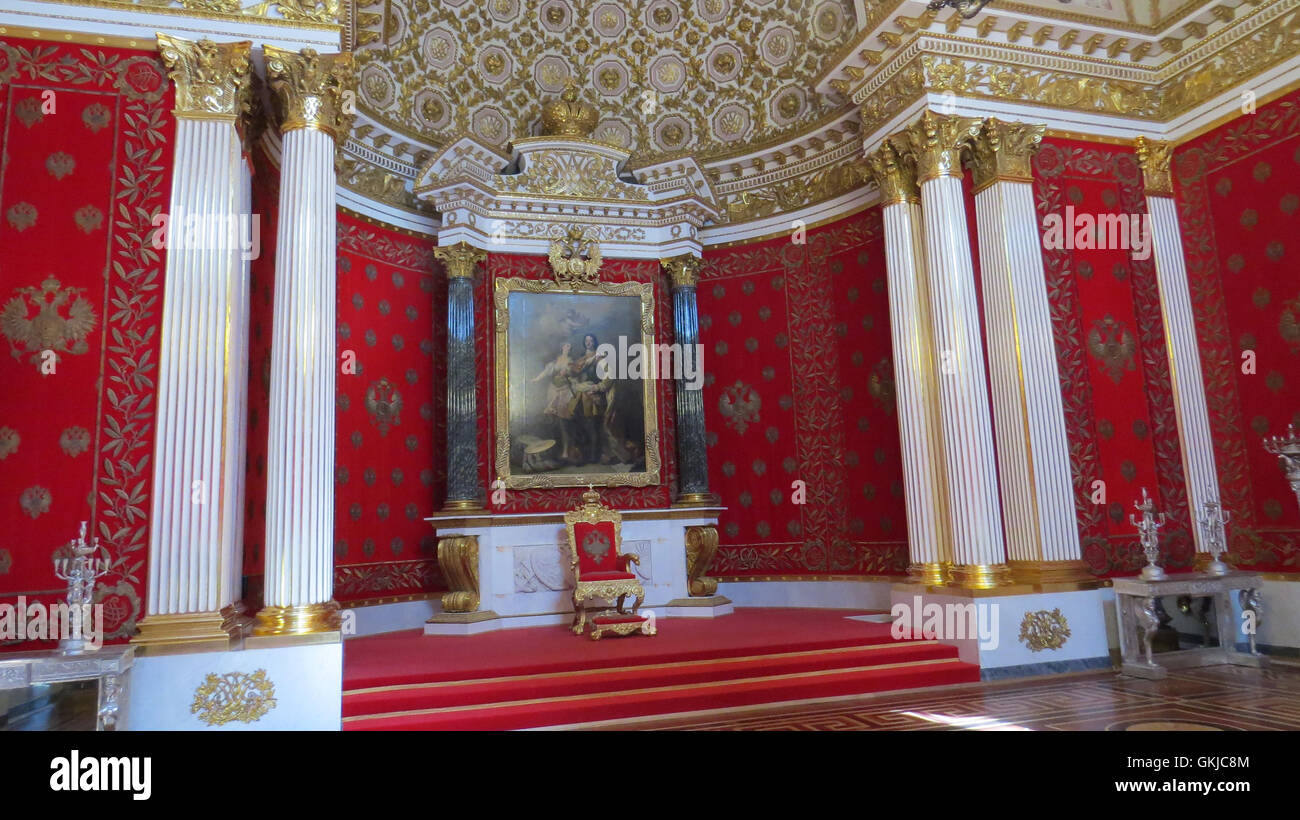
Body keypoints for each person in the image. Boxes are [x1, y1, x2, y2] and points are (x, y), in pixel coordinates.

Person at [530, 342, 581, 463]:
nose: (568, 347)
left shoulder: (572, 361)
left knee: (565, 423)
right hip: (554, 391)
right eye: (566, 345)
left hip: (565, 393)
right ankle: (555, 450)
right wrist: (536, 379)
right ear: (562, 347)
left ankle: (566, 450)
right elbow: (546, 372)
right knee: (555, 422)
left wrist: (568, 373)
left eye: (570, 346)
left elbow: (576, 375)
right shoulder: (556, 361)